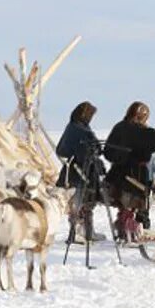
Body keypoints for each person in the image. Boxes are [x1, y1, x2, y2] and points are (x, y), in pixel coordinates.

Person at [104, 102, 155, 240]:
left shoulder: (120, 127)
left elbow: (109, 151)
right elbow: (149, 141)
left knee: (125, 205)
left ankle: (123, 232)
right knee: (132, 205)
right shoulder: (135, 129)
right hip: (134, 173)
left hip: (118, 172)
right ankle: (129, 233)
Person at [56, 101, 105, 242]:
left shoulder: (74, 127)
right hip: (79, 171)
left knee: (85, 201)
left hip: (79, 170)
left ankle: (87, 231)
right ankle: (77, 232)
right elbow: (67, 150)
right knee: (78, 201)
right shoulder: (79, 130)